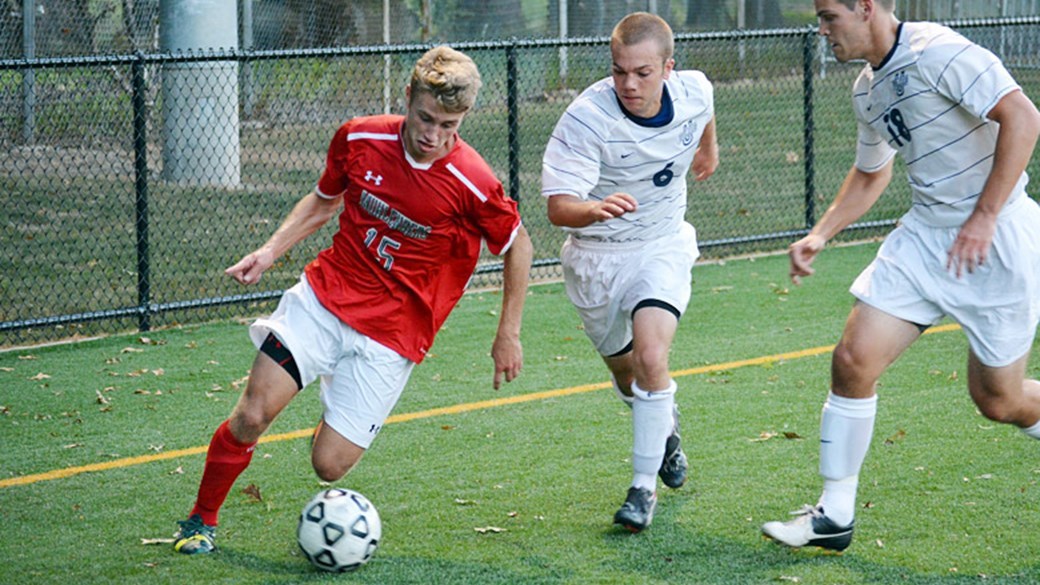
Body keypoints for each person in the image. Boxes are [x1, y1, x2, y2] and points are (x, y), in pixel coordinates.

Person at [172, 45, 533, 554]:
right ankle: (200, 520)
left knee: (329, 465)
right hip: (325, 299)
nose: (433, 135)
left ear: (464, 116)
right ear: (408, 97)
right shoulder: (360, 136)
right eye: (425, 117)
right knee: (252, 415)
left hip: (394, 333)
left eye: (449, 124)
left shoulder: (471, 179)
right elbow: (324, 200)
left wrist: (508, 332)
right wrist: (271, 250)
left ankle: (335, 402)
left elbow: (519, 244)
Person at [762, 0, 1040, 552]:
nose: (821, 31)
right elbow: (871, 172)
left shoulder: (937, 53)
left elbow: (1023, 116)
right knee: (852, 359)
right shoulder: (868, 87)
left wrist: (983, 217)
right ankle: (834, 516)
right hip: (925, 238)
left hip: (999, 237)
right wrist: (821, 233)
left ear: (865, 8)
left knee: (999, 401)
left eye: (828, 16)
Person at [541, 12, 719, 533]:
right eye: (619, 71)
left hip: (660, 245)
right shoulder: (586, 118)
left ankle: (643, 489)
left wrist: (709, 147)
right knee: (627, 373)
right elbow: (557, 208)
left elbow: (705, 107)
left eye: (642, 72)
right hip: (595, 258)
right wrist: (592, 209)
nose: (629, 84)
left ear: (669, 67)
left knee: (651, 354)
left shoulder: (693, 90)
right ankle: (664, 430)